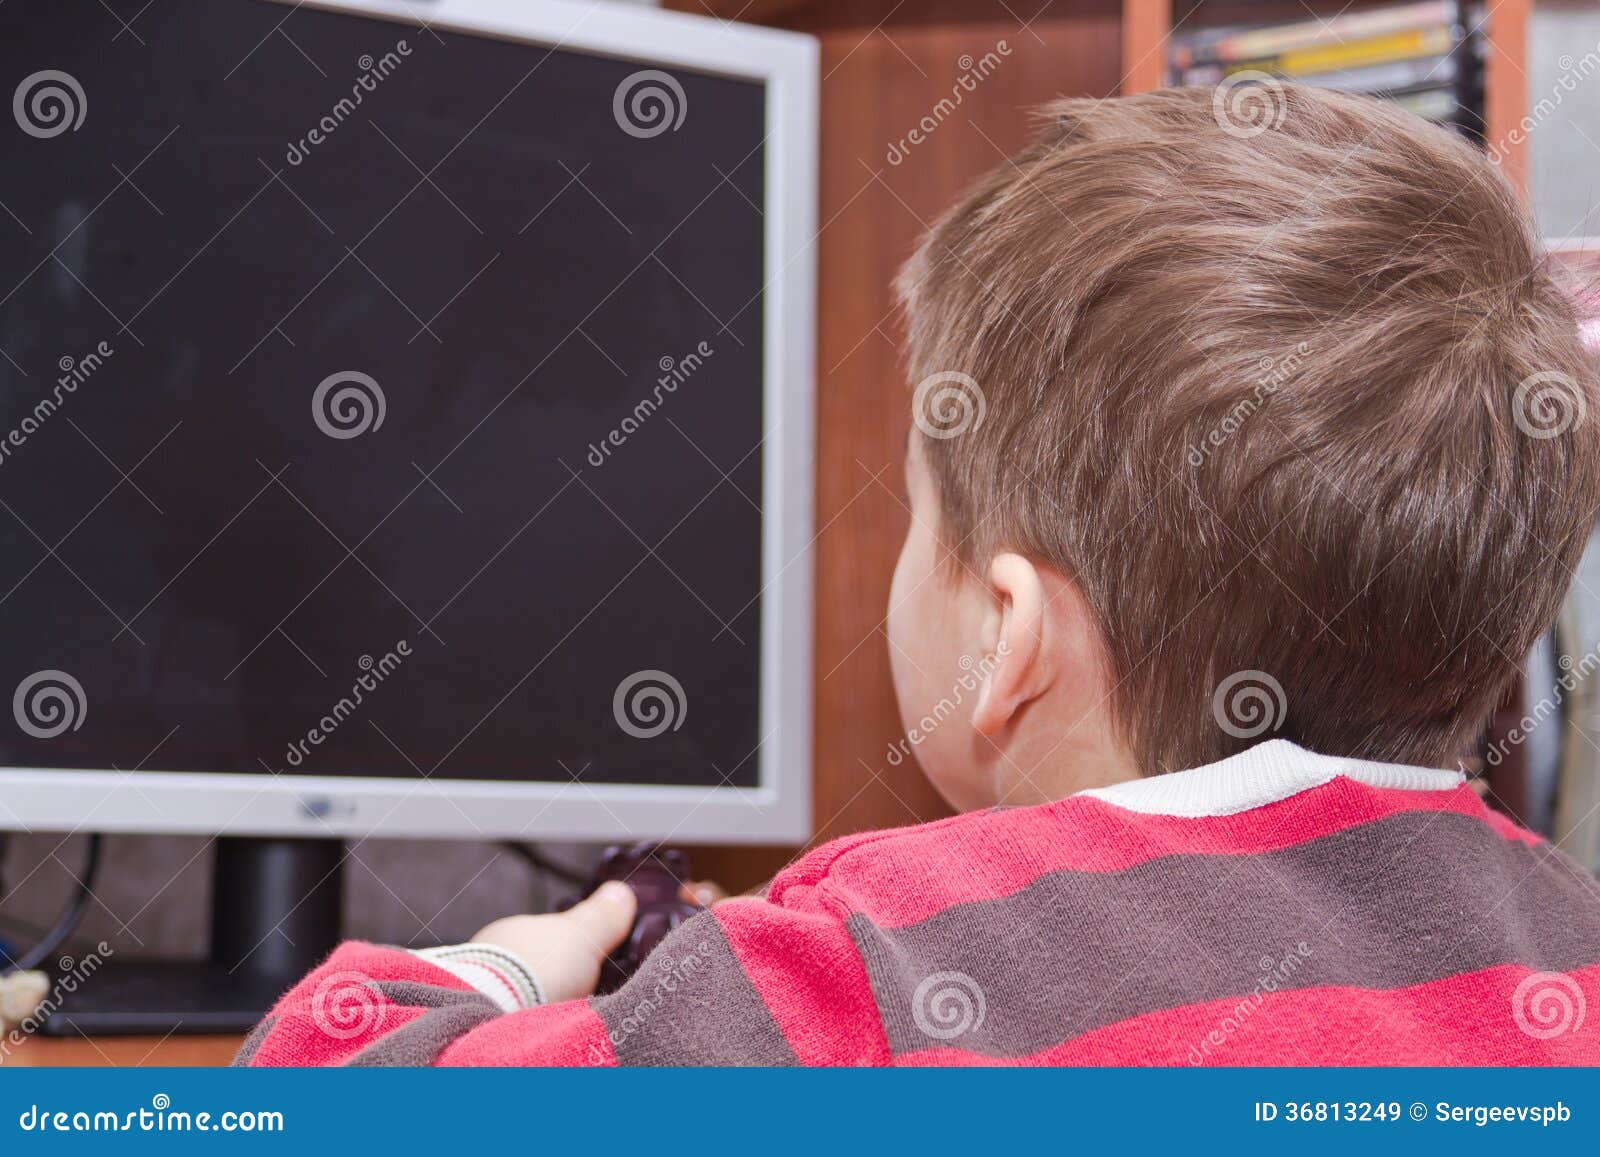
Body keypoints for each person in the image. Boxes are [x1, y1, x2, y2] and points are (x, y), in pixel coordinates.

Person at [238, 84, 1600, 1066]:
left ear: (1005, 639)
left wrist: (497, 969)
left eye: (914, 515)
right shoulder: (1570, 948)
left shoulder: (862, 975)